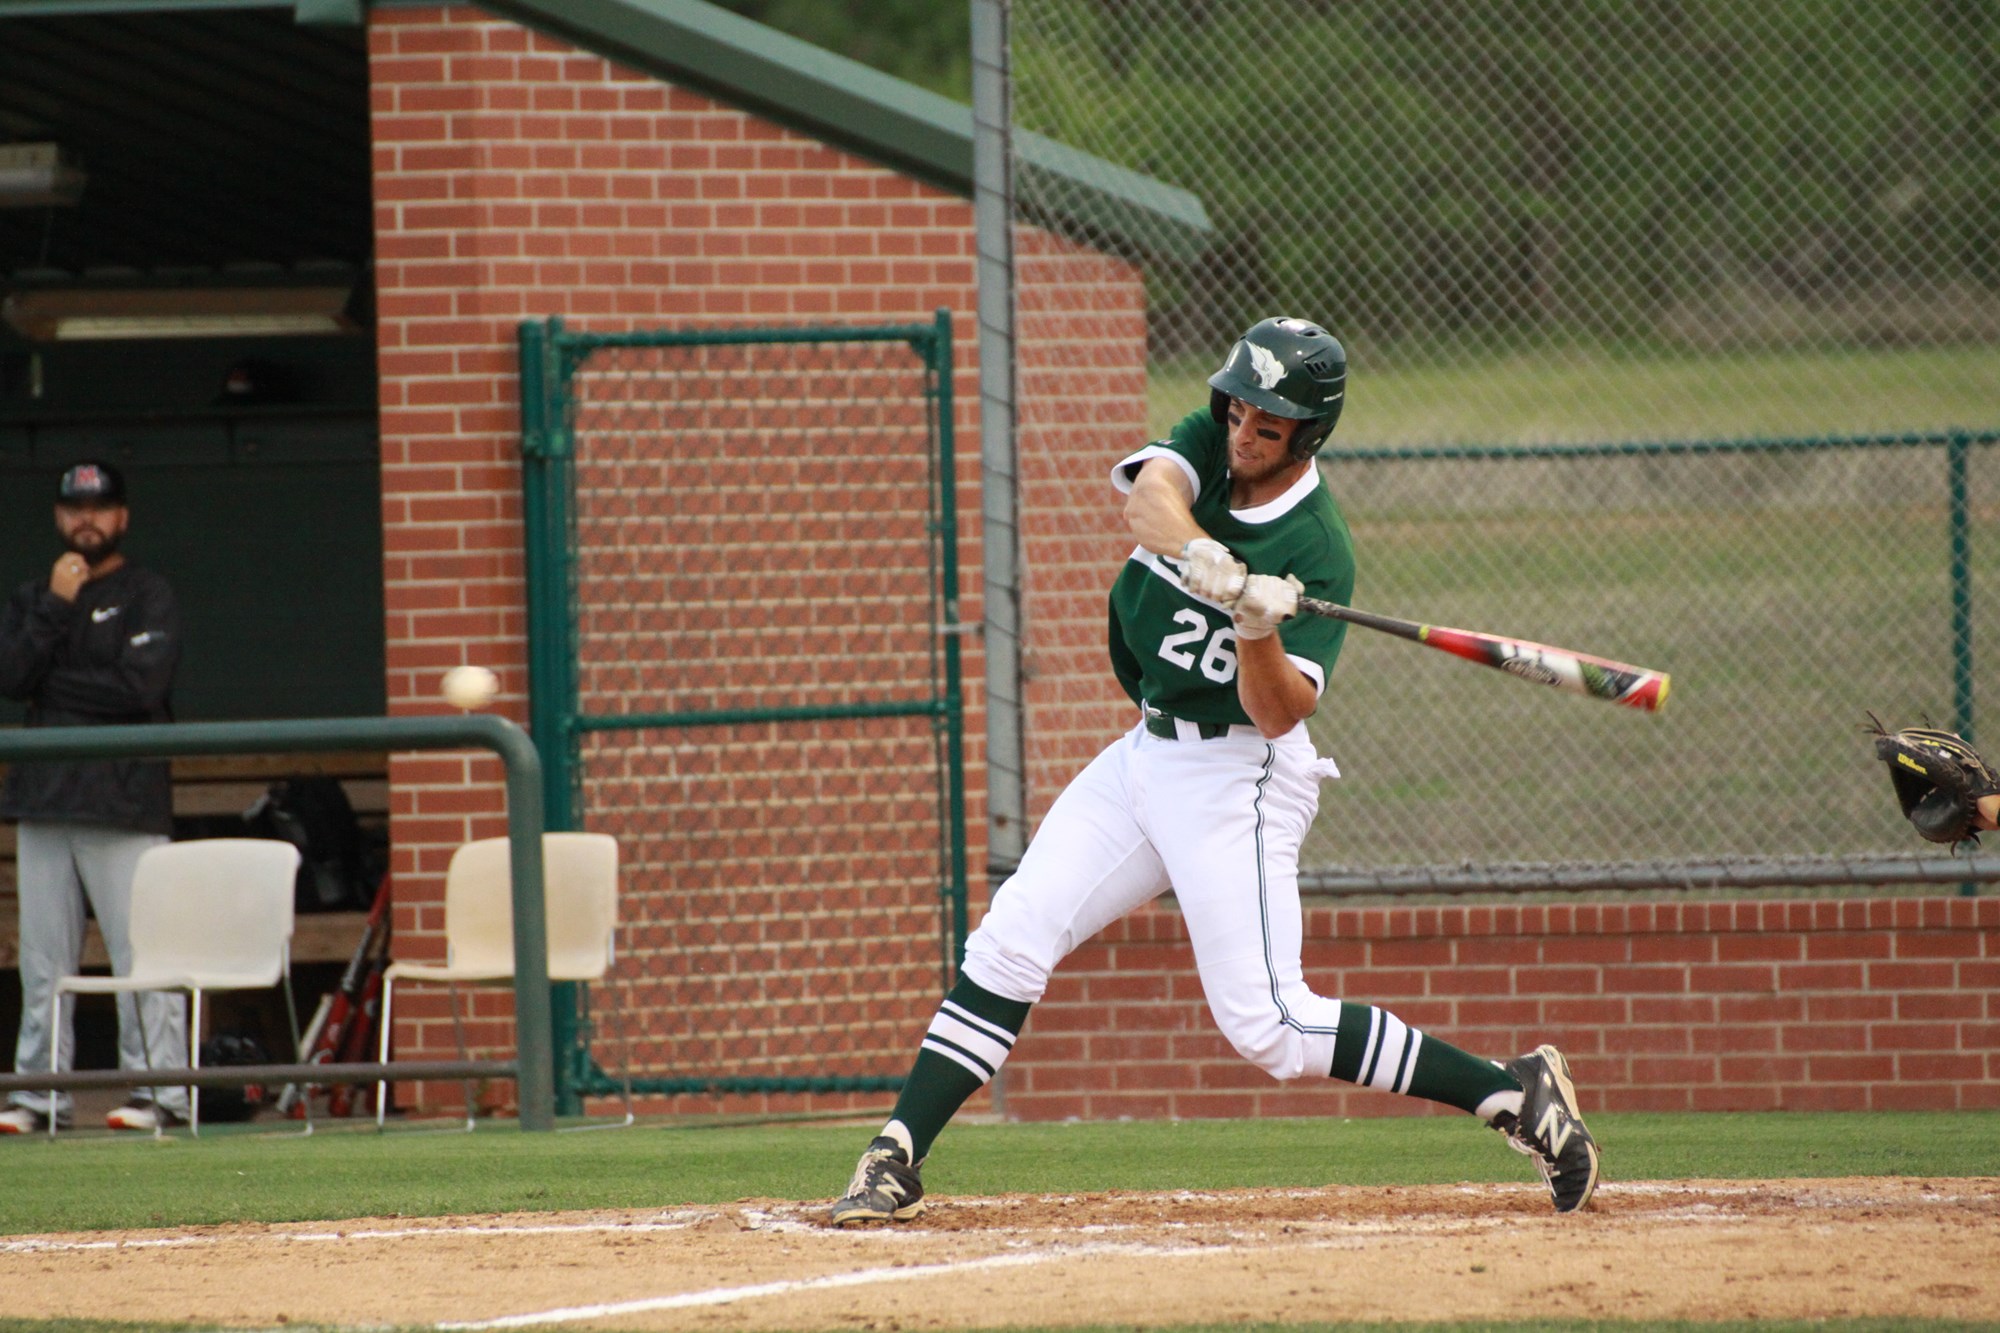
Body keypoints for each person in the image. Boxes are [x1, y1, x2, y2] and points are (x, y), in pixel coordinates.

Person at [830, 317, 1600, 1224]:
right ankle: (895, 1154)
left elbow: (1277, 710)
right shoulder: (1209, 445)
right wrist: (1217, 566)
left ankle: (1512, 1092)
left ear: (1307, 436)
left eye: (1269, 425)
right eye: (1239, 407)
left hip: (1241, 774)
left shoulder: (1319, 546)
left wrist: (1257, 625)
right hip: (1145, 754)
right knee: (1014, 932)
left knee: (1270, 1024)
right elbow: (1148, 501)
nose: (1244, 431)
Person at [0, 460, 189, 1133]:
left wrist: (51, 688)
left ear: (122, 516)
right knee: (42, 959)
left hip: (124, 796)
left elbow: (140, 690)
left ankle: (162, 1092)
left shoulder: (149, 593)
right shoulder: (35, 597)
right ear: (58, 516)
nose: (88, 518)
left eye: (101, 506)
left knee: (144, 951)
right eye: (76, 507)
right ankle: (40, 1094)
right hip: (47, 797)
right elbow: (12, 674)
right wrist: (54, 607)